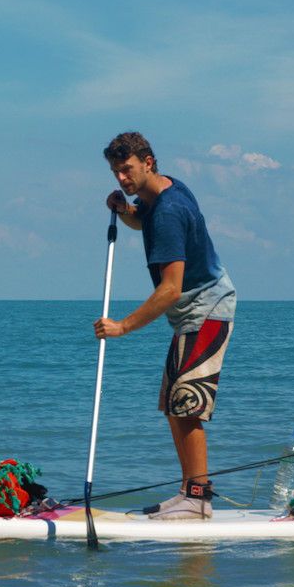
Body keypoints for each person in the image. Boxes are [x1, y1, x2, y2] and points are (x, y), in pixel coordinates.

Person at [93, 131, 236, 520]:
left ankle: (198, 497)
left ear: (148, 162)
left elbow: (171, 290)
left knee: (186, 405)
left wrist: (122, 327)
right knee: (174, 404)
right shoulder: (160, 195)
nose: (121, 179)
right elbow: (145, 221)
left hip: (207, 308)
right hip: (194, 312)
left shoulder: (170, 209)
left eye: (127, 170)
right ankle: (189, 491)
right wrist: (126, 212)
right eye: (115, 172)